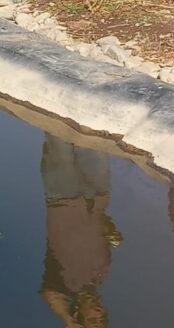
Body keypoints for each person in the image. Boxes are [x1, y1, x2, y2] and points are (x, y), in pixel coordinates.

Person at [38, 134, 119, 328]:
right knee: (95, 139)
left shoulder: (64, 284)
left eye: (92, 320)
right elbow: (101, 229)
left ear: (79, 315)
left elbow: (47, 294)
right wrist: (111, 230)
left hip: (63, 199)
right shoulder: (102, 274)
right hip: (97, 197)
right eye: (101, 319)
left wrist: (69, 322)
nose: (98, 313)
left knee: (59, 137)